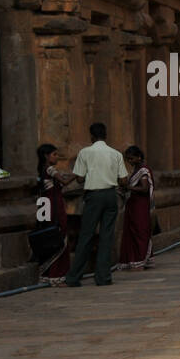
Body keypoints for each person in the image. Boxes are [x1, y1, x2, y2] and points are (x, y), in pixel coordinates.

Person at [64, 122, 127, 287]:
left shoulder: (85, 152)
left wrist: (92, 175)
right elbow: (123, 179)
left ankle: (74, 277)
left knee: (86, 235)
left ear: (91, 136)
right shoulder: (116, 154)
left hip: (93, 196)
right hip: (110, 195)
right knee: (106, 237)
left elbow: (78, 178)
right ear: (105, 135)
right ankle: (103, 277)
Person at [35, 143, 80, 285]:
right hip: (53, 207)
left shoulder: (42, 170)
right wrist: (78, 173)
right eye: (54, 155)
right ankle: (57, 275)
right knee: (58, 236)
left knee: (49, 236)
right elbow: (65, 182)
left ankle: (48, 274)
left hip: (45, 206)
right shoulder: (50, 169)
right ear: (46, 156)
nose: (56, 157)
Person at [117, 145, 155, 271]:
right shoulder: (136, 170)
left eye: (132, 159)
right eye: (128, 159)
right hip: (133, 205)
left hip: (140, 205)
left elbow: (144, 188)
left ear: (139, 157)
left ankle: (140, 260)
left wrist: (129, 188)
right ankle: (133, 260)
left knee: (140, 231)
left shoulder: (143, 170)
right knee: (132, 231)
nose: (130, 161)